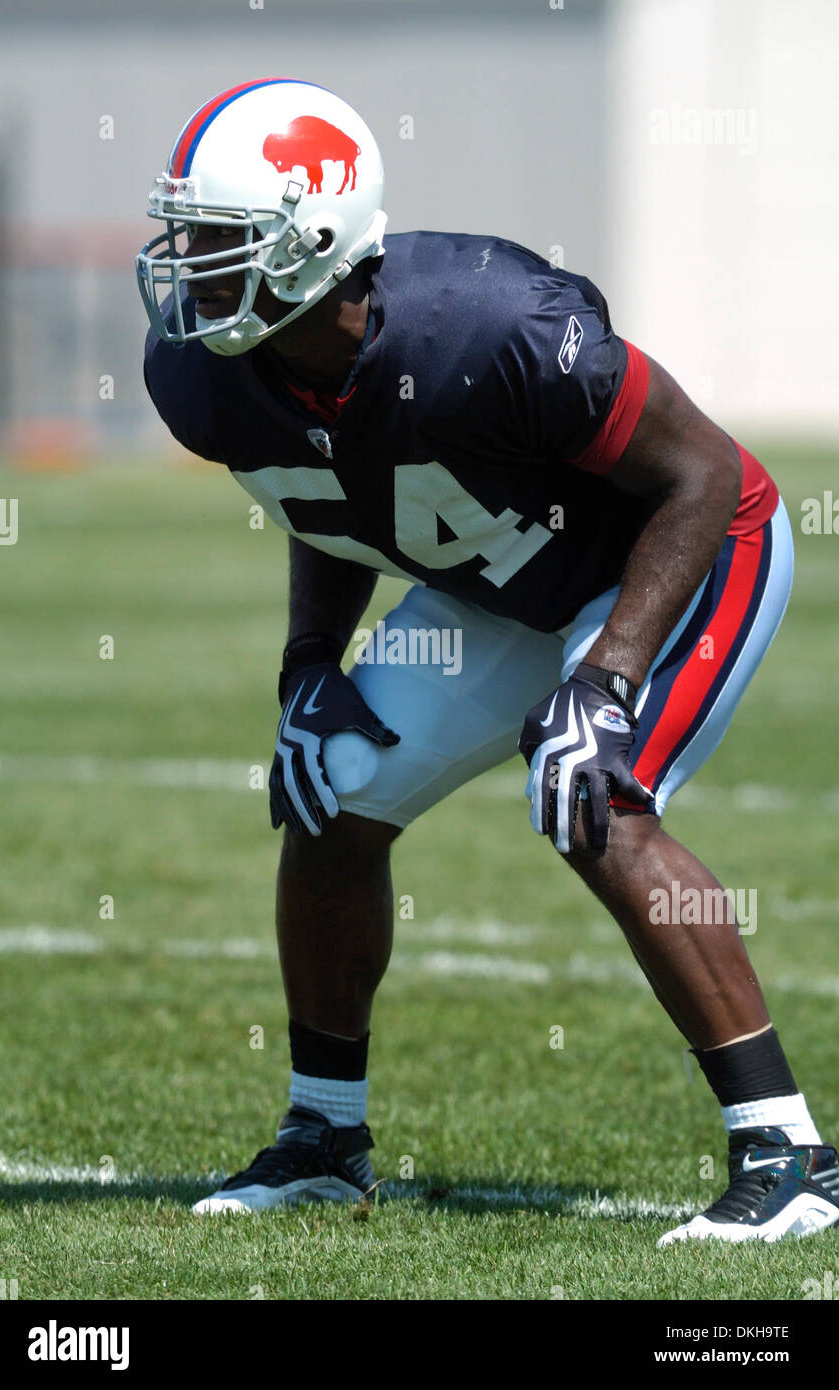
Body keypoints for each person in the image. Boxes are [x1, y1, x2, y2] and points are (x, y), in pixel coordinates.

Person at [137, 78, 839, 1243]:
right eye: (192, 242)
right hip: (507, 584)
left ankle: (792, 1155)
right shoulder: (210, 376)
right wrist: (310, 663)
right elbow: (326, 500)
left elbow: (704, 476)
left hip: (684, 552)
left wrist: (606, 680)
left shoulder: (489, 323)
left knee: (592, 797)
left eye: (224, 245)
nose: (192, 274)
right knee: (331, 787)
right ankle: (325, 1138)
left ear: (313, 245)